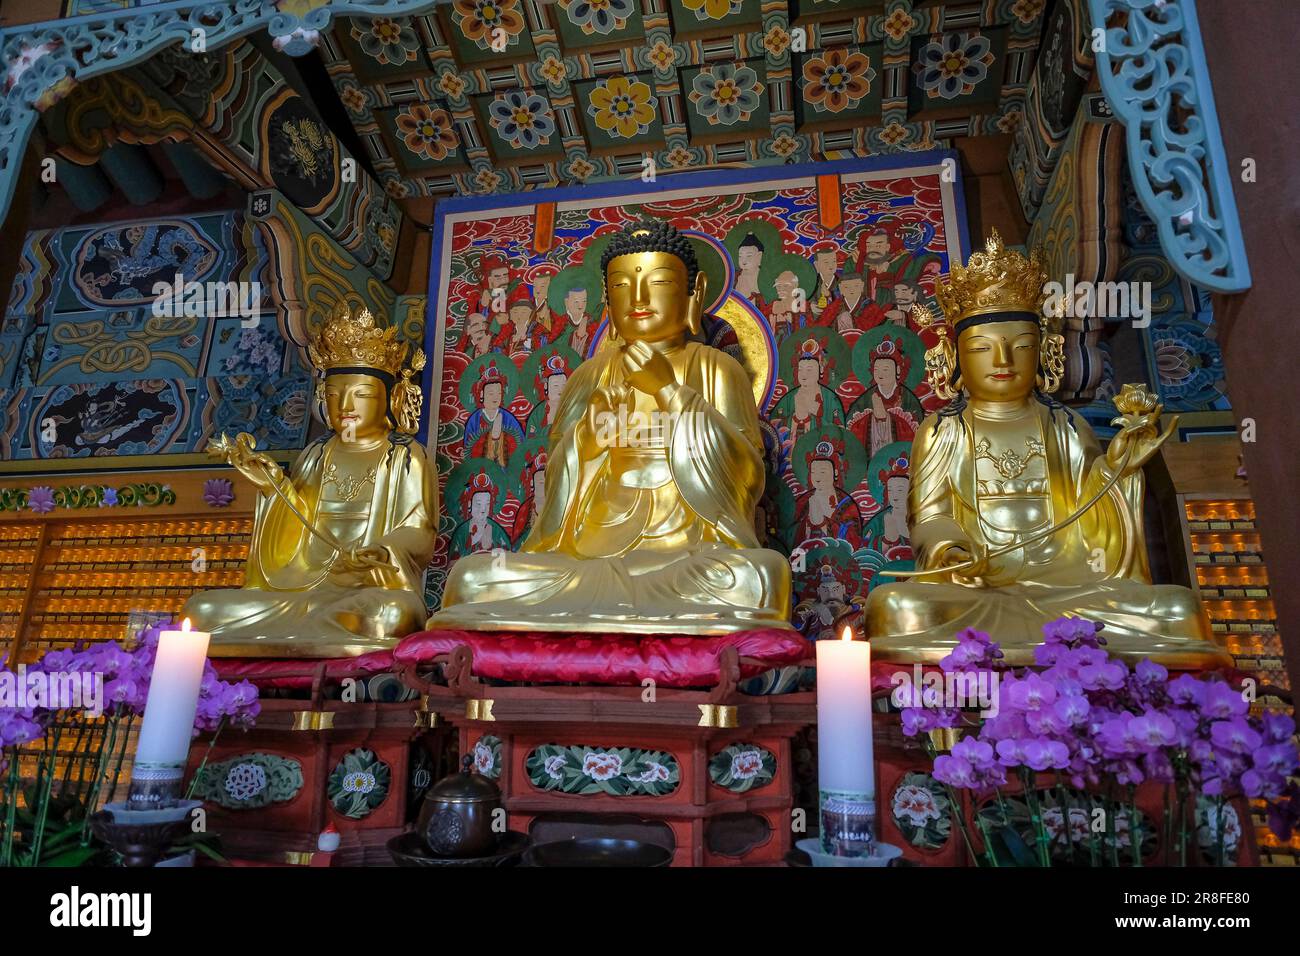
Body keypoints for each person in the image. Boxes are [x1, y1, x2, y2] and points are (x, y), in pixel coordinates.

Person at [865, 230, 1230, 667]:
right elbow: (930, 516)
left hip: (1071, 586)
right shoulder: (943, 430)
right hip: (982, 591)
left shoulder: (1065, 425)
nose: (1003, 361)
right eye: (983, 349)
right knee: (897, 607)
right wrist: (951, 550)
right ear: (954, 357)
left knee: (1176, 609)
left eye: (1021, 347)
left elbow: (1094, 513)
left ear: (1044, 353)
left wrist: (1119, 469)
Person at [426, 220, 793, 634]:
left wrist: (671, 392)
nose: (638, 297)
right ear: (606, 299)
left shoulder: (716, 370)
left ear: (695, 292)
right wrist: (587, 440)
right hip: (589, 556)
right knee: (473, 579)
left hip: (686, 560)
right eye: (621, 285)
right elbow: (557, 494)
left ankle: (602, 615)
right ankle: (619, 612)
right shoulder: (589, 375)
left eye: (658, 281)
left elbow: (747, 475)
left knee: (762, 576)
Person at [188, 305, 436, 657]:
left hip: (365, 590)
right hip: (298, 588)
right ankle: (304, 636)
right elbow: (295, 526)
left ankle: (302, 635)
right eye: (334, 394)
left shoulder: (404, 455)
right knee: (203, 610)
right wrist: (273, 489)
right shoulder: (316, 453)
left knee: (390, 614)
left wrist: (382, 549)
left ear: (390, 399)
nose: (346, 405)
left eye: (361, 394)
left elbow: (421, 533)